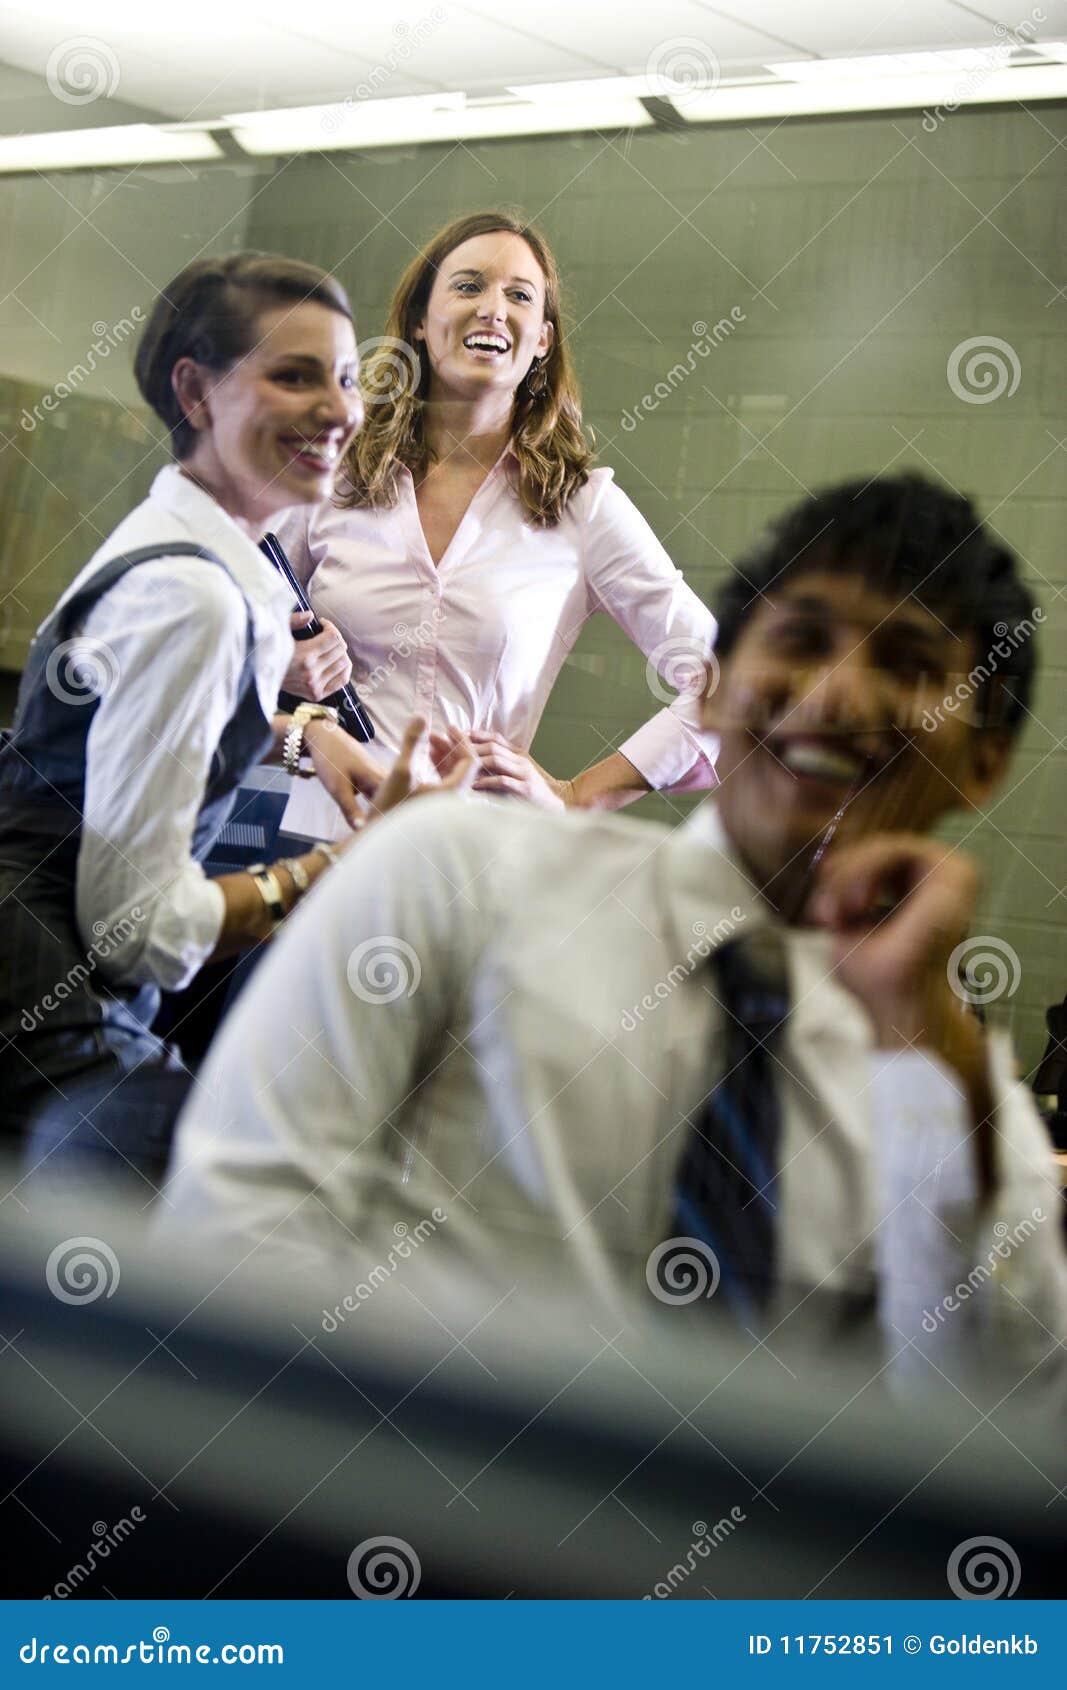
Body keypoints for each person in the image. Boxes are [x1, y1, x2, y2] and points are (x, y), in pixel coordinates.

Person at [163, 472, 1067, 1387]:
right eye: (802, 640)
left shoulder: (957, 1094)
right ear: (709, 687)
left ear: (984, 761)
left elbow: (990, 1430)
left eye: (907, 665)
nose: (835, 696)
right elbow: (234, 1232)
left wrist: (929, 1071)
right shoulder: (446, 874)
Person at [0, 252, 465, 1164]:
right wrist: (343, 864)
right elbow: (143, 932)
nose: (339, 412)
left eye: (342, 378)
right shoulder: (195, 596)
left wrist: (309, 738)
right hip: (40, 1001)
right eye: (293, 377)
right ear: (197, 391)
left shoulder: (187, 546)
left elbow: (127, 739)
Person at [271, 209, 719, 844]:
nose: (492, 308)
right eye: (468, 286)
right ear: (421, 323)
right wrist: (274, 662)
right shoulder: (330, 478)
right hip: (323, 852)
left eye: (519, 295)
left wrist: (576, 796)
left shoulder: (581, 505)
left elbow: (729, 682)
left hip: (479, 864)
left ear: (542, 339)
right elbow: (214, 646)